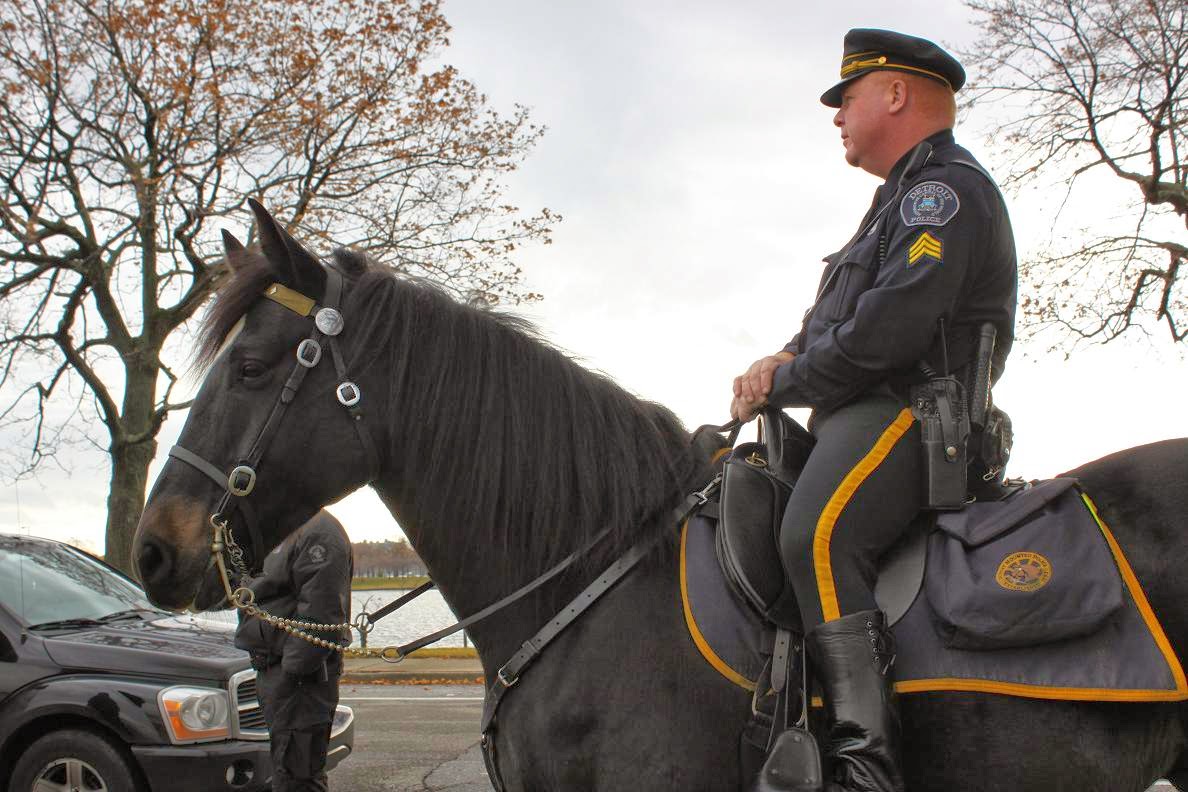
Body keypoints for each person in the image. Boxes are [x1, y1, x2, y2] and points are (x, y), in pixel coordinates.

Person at [732, 29, 1018, 792]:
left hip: (911, 412)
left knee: (816, 534)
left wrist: (787, 382)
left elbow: (889, 333)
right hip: (860, 409)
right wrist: (780, 362)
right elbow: (832, 328)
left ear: (895, 94)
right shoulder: (892, 205)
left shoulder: (942, 193)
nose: (836, 117)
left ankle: (867, 764)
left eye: (847, 98)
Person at [234, 511, 353, 792]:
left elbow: (321, 617)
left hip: (299, 680)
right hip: (274, 670)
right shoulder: (279, 526)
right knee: (287, 771)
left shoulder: (318, 532)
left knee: (298, 777)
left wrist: (292, 673)